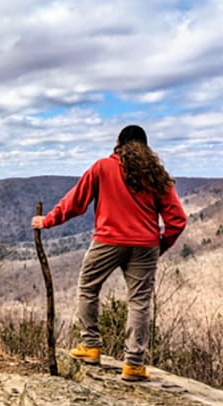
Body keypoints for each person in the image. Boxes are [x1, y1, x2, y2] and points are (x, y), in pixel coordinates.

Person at [31, 124, 187, 382]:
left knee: (88, 288)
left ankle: (91, 346)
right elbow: (177, 219)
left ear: (119, 143)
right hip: (146, 244)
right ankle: (134, 365)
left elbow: (75, 202)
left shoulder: (103, 167)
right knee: (139, 302)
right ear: (146, 147)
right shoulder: (157, 175)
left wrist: (46, 221)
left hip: (108, 240)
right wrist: (160, 246)